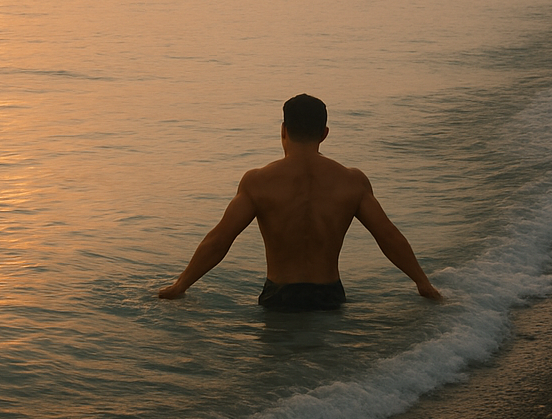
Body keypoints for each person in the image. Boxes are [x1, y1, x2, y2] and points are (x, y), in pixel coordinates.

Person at [157, 94, 442, 310]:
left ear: (283, 130)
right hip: (330, 294)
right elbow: (388, 236)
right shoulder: (352, 181)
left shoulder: (258, 181)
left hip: (280, 296)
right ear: (324, 133)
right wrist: (422, 282)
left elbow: (219, 240)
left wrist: (180, 285)